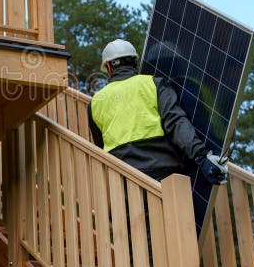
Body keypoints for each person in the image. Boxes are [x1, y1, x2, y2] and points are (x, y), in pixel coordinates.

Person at [87, 38, 227, 184]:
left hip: (121, 180)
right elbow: (176, 123)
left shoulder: (96, 102)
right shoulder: (154, 84)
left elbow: (100, 145)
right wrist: (202, 157)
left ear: (108, 67)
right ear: (135, 63)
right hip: (163, 176)